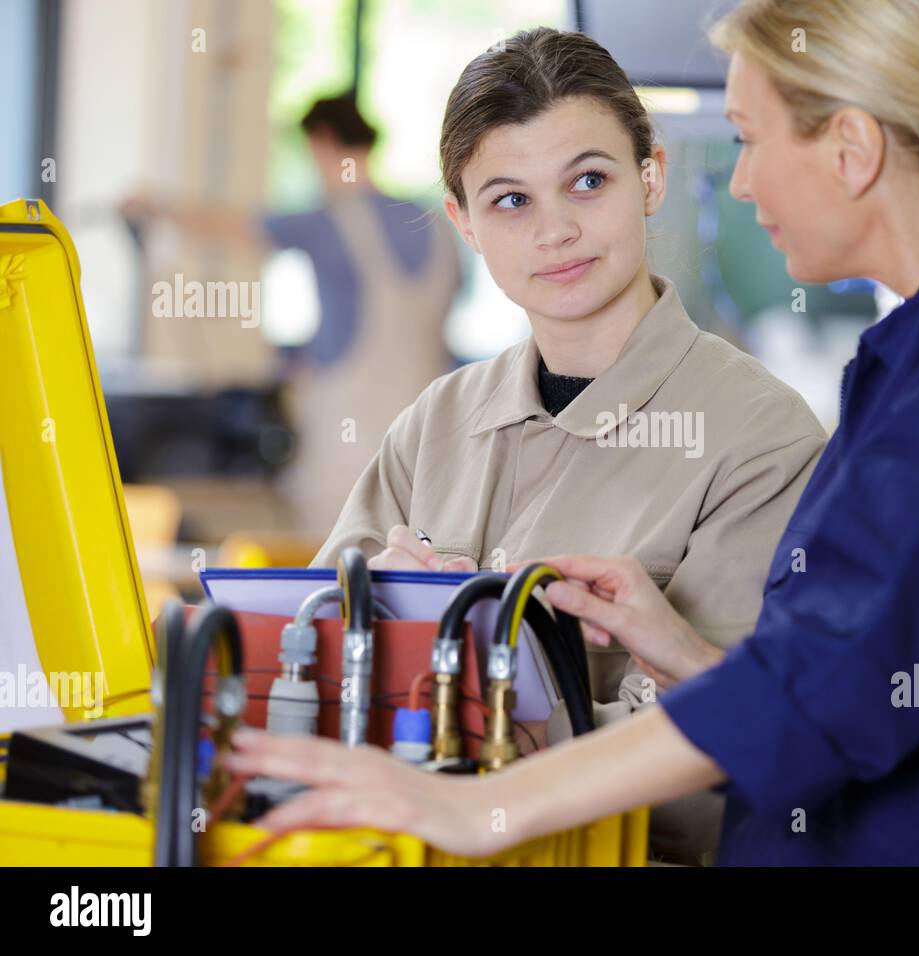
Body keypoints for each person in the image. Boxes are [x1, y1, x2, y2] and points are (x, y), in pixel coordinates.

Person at [226, 0, 919, 865]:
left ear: (850, 149)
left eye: (748, 139)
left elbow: (831, 690)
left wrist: (489, 803)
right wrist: (681, 653)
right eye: (510, 199)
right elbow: (872, 660)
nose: (738, 184)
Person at [307, 28, 826, 863]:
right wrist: (402, 615)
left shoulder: (762, 441)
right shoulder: (434, 424)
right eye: (510, 199)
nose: (554, 232)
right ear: (464, 222)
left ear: (650, 178)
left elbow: (719, 750)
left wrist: (469, 674)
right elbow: (306, 663)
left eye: (587, 182)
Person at [122, 94, 462, 535]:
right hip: (430, 434)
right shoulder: (435, 223)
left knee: (338, 565)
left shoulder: (330, 220)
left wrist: (155, 209)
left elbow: (234, 226)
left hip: (348, 444)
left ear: (321, 141)